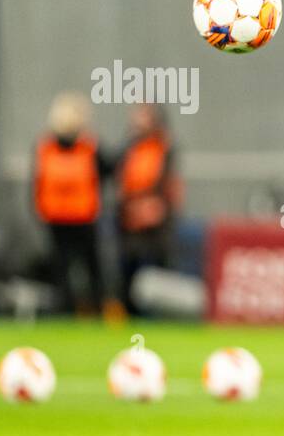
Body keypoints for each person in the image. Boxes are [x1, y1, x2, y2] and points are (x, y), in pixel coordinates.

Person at [33, 92, 107, 314]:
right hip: (68, 217)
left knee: (81, 268)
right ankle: (74, 309)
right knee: (71, 268)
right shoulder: (80, 147)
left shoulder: (84, 146)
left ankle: (87, 309)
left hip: (74, 216)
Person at [116, 103, 182, 316]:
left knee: (158, 267)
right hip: (130, 217)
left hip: (157, 219)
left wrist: (156, 207)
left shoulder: (165, 147)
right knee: (129, 266)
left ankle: (161, 313)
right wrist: (130, 207)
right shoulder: (129, 147)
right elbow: (122, 181)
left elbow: (170, 183)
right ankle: (128, 314)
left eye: (143, 116)